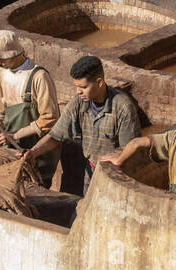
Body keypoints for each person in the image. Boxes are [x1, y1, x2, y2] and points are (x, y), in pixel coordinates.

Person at [22, 54, 141, 193]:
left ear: (99, 82)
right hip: (90, 170)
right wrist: (33, 152)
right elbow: (55, 136)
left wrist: (116, 166)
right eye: (76, 86)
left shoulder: (123, 107)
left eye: (83, 87)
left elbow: (131, 150)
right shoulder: (79, 102)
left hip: (116, 177)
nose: (78, 91)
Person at [0, 30, 61, 186]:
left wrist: (14, 135)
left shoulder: (38, 77)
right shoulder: (0, 74)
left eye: (1, 59)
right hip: (12, 146)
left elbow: (50, 118)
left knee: (35, 186)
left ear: (15, 54)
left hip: (36, 148)